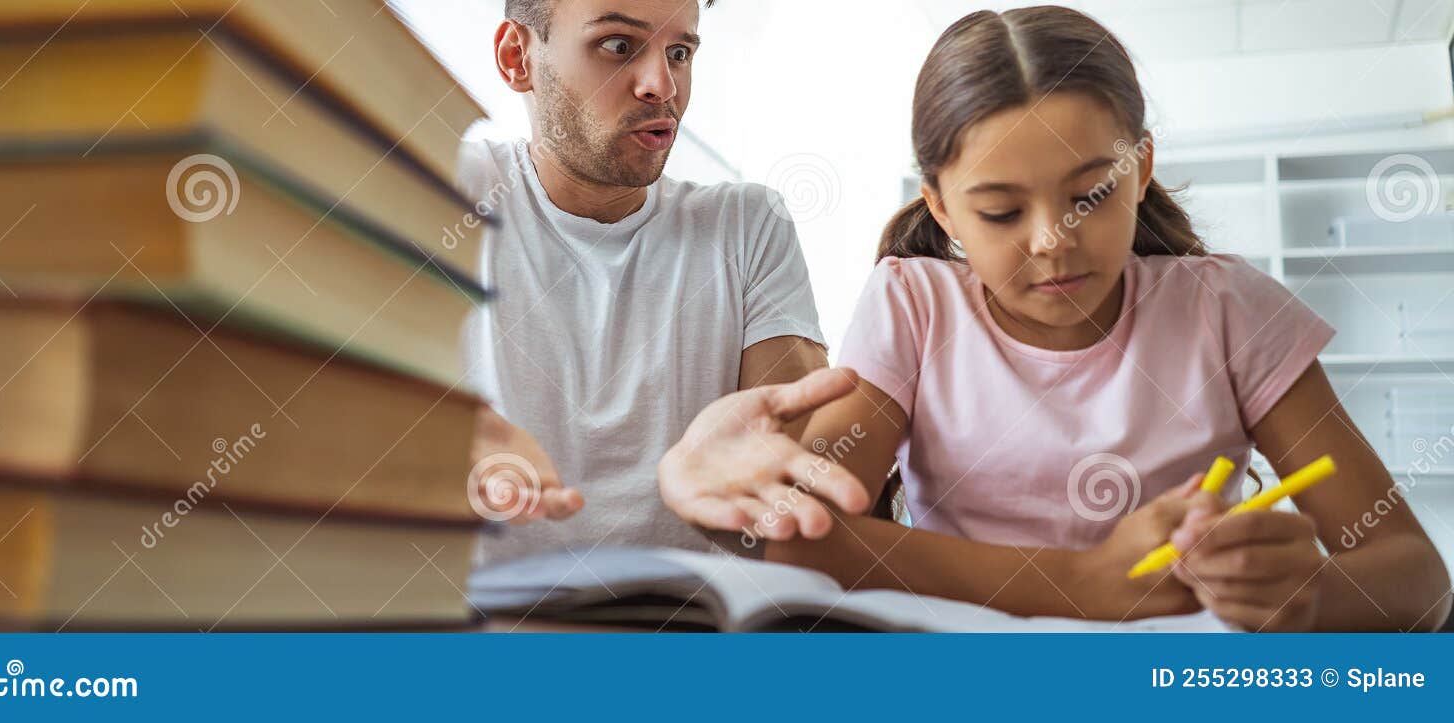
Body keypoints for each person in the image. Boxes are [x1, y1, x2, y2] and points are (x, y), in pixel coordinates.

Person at [658, 5, 1451, 631]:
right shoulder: (915, 305)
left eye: (1090, 196)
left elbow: (1415, 576)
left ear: (1140, 168)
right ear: (940, 205)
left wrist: (1304, 594)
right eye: (1000, 211)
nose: (1052, 242)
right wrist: (1076, 583)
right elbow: (800, 531)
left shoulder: (1227, 308)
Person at [461, 0, 845, 563]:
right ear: (518, 57)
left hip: (691, 626)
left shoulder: (746, 223)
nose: (662, 86)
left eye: (680, 52)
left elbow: (805, 486)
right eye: (618, 46)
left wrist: (756, 480)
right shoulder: (453, 187)